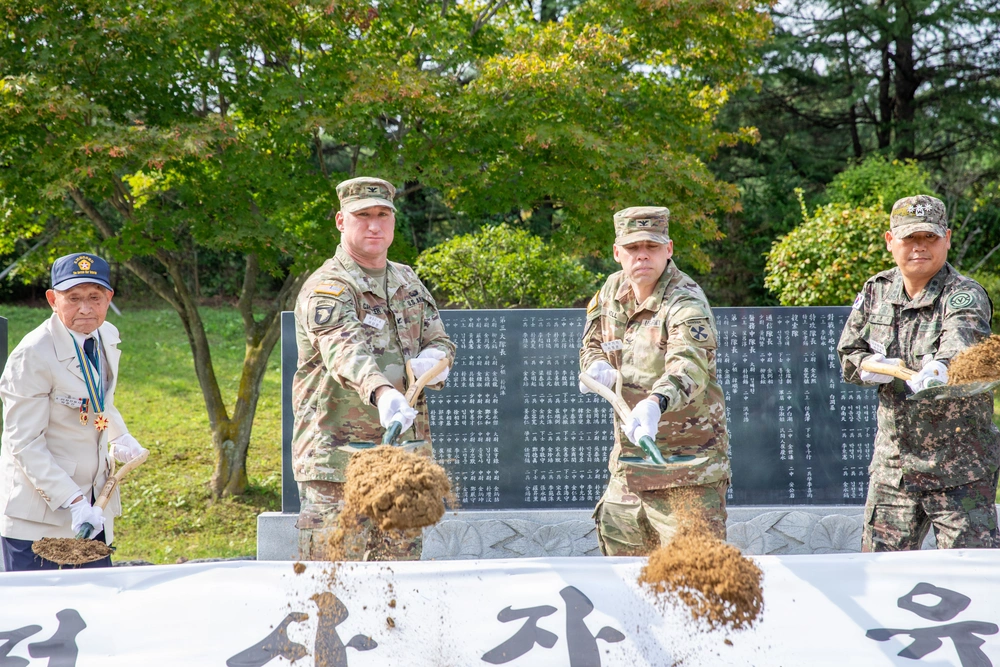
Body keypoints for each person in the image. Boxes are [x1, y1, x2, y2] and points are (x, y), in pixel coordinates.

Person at [291, 176, 455, 561]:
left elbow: (439, 338)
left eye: (383, 214)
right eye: (362, 215)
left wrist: (437, 360)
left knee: (398, 583)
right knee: (333, 586)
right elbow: (343, 348)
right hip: (338, 464)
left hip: (401, 461)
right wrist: (382, 392)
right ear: (340, 221)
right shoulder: (328, 286)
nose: (374, 225)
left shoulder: (406, 279)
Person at [838, 195, 1000, 552]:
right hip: (894, 468)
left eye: (929, 238)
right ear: (890, 241)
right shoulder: (876, 291)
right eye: (910, 238)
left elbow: (963, 345)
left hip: (960, 470)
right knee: (880, 574)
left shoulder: (963, 295)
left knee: (970, 579)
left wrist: (940, 369)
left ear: (947, 238)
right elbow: (849, 353)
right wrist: (876, 369)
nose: (919, 248)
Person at [578, 206, 731, 555]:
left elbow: (690, 366)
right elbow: (592, 344)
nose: (642, 254)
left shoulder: (685, 301)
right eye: (632, 248)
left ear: (669, 249)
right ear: (618, 253)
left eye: (652, 245)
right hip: (629, 469)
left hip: (686, 471)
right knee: (622, 581)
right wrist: (597, 366)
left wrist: (654, 403)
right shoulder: (610, 291)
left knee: (694, 580)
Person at [0, 253, 147, 571]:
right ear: (53, 299)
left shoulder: (105, 335)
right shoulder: (32, 355)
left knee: (94, 614)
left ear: (109, 298)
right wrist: (74, 501)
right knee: (37, 615)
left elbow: (98, 398)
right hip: (38, 520)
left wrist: (119, 435)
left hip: (93, 512)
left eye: (95, 297)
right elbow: (23, 444)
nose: (85, 308)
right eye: (73, 298)